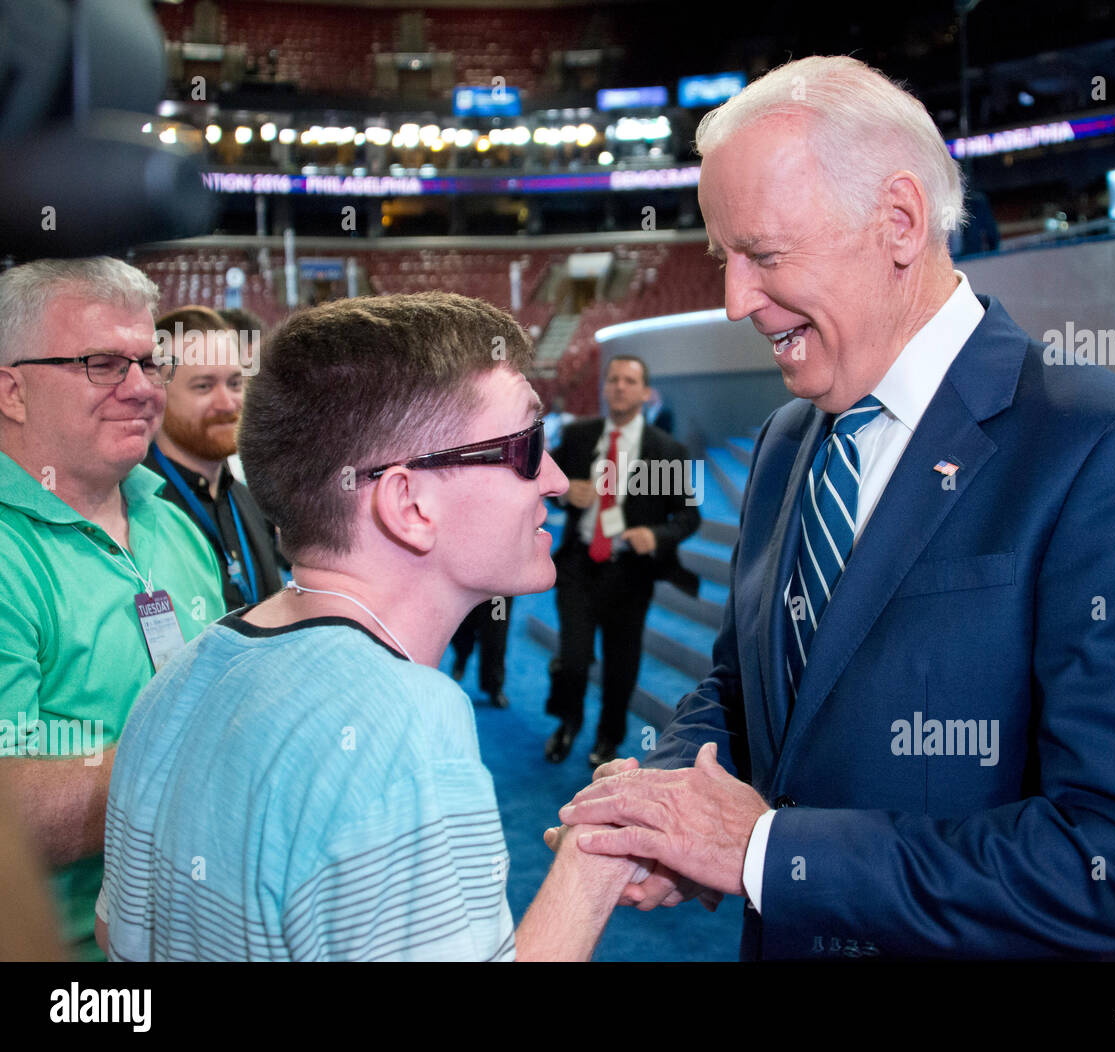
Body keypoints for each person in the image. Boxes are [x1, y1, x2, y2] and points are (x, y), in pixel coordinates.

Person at [557, 56, 1115, 960]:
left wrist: (766, 853)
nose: (733, 300)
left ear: (899, 222)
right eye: (723, 258)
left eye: (763, 254)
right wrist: (664, 805)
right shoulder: (789, 439)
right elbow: (746, 695)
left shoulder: (1107, 450)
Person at [97, 291, 639, 961]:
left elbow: (115, 933)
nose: (555, 479)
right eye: (525, 446)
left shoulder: (178, 679)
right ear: (409, 505)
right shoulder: (405, 725)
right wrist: (599, 861)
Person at [0, 257, 225, 960]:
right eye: (102, 363)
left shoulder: (171, 520)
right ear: (12, 391)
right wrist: (216, 757)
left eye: (149, 361)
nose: (139, 389)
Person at [544, 355, 701, 768]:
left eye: (630, 381)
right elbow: (544, 480)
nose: (619, 387)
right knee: (573, 659)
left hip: (630, 574)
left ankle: (608, 739)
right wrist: (563, 493)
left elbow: (688, 516)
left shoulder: (666, 450)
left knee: (621, 666)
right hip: (577, 565)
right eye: (613, 379)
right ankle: (567, 723)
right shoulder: (578, 436)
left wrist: (657, 535)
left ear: (645, 393)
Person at [145, 305, 282, 611]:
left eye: (235, 383)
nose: (227, 403)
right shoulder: (134, 509)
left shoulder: (253, 501)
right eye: (204, 386)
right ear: (158, 394)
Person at [450, 596, 513, 709]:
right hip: (468, 585)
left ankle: (495, 687)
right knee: (463, 627)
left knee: (496, 636)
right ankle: (461, 657)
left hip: (499, 592)